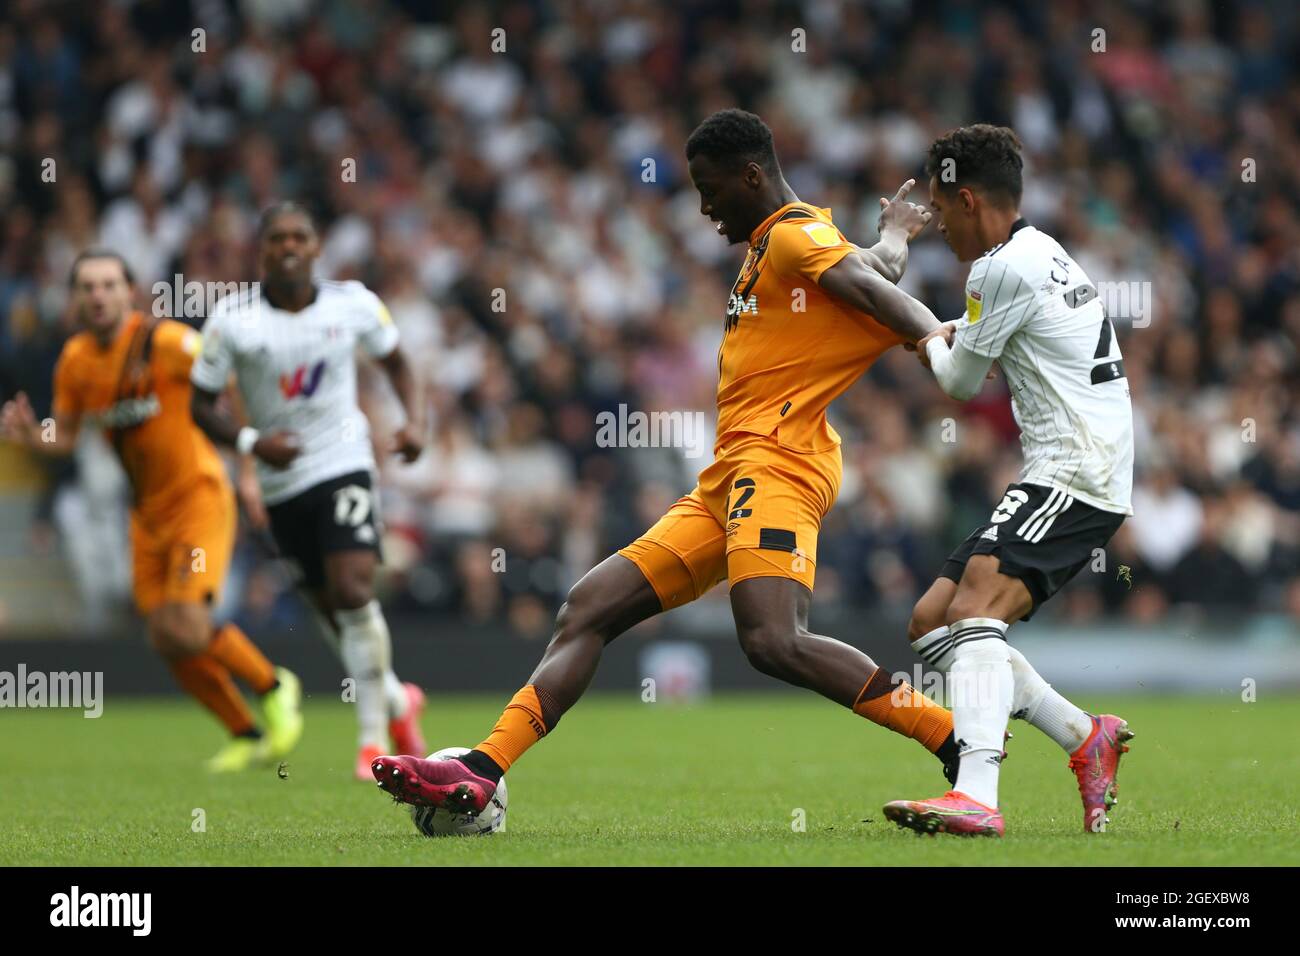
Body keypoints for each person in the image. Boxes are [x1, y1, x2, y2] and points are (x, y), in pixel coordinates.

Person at [371, 108, 966, 814]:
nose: (704, 206)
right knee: (588, 606)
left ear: (751, 175)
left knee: (774, 640)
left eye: (710, 188)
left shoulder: (792, 234)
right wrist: (895, 233)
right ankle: (481, 767)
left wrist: (936, 342)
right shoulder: (793, 243)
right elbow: (872, 270)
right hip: (729, 479)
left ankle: (959, 740)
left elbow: (874, 291)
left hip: (779, 463)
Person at [883, 125, 1135, 837]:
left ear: (969, 200)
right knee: (933, 623)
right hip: (1072, 465)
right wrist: (942, 334)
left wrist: (924, 335)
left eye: (940, 210)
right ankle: (1086, 736)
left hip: (1077, 469)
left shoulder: (999, 270)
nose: (937, 227)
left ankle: (978, 795)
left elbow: (960, 382)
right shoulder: (1039, 250)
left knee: (974, 614)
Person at [1, 249, 303, 773]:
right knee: (163, 635)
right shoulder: (75, 360)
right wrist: (33, 435)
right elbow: (66, 435)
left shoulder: (164, 342)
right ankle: (243, 730)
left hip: (199, 497)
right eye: (87, 287)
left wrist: (249, 466)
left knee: (186, 623)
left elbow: (231, 377)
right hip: (146, 514)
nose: (98, 296)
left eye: (108, 285)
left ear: (129, 292)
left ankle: (274, 685)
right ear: (75, 298)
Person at [189, 202, 428, 780]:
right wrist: (252, 442)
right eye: (277, 238)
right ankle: (399, 702)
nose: (289, 246)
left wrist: (415, 422)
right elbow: (199, 403)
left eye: (300, 236)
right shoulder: (230, 320)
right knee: (331, 614)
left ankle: (372, 744)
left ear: (317, 247)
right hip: (279, 485)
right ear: (261, 250)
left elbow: (399, 361)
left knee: (352, 590)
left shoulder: (354, 303)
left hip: (344, 460)